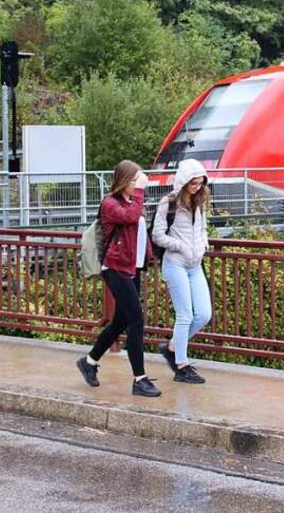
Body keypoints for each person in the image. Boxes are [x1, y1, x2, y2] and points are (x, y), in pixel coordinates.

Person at [75, 160, 161, 397]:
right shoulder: (110, 204)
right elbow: (131, 219)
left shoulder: (130, 202)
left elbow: (138, 230)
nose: (137, 185)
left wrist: (149, 257)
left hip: (131, 267)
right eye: (133, 181)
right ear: (123, 181)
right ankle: (139, 379)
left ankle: (89, 361)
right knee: (136, 321)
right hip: (114, 268)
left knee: (121, 322)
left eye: (138, 180)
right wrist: (142, 191)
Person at [151, 158, 212, 384]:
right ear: (184, 182)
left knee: (204, 314)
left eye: (200, 183)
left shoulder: (201, 201)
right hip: (175, 263)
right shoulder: (168, 203)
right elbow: (157, 235)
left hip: (195, 265)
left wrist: (204, 245)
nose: (197, 187)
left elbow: (203, 228)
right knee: (185, 315)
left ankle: (173, 347)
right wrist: (181, 246)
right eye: (193, 183)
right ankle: (181, 365)